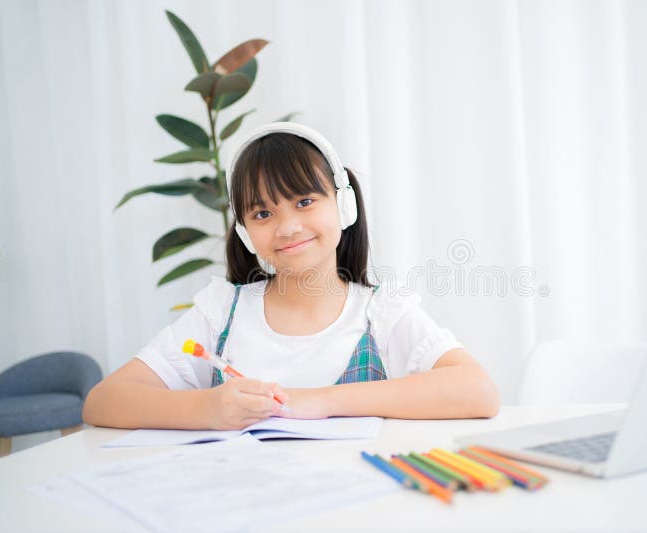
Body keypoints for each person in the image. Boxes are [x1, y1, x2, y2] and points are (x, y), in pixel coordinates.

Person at [83, 122, 500, 430]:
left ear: (344, 206)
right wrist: (208, 409)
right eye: (263, 213)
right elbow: (103, 402)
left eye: (304, 201)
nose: (287, 227)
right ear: (246, 232)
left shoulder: (382, 314)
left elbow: (478, 391)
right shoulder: (220, 313)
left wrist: (318, 401)